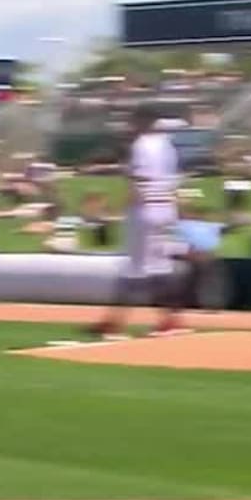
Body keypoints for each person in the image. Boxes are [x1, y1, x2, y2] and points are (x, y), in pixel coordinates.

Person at [88, 104, 184, 338]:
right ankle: (170, 320)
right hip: (166, 208)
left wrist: (119, 212)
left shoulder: (141, 146)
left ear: (141, 121)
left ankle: (114, 323)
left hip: (145, 210)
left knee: (134, 267)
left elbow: (139, 182)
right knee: (159, 266)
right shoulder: (167, 145)